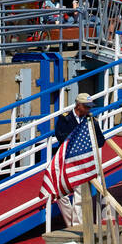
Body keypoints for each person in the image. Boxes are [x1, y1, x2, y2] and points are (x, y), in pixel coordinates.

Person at [52, 92, 105, 230]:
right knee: (59, 193)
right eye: (86, 107)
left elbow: (101, 140)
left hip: (82, 163)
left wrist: (89, 143)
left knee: (80, 195)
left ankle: (77, 226)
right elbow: (60, 136)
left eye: (90, 107)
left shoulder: (92, 121)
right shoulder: (65, 119)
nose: (89, 109)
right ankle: (71, 223)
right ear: (78, 105)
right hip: (66, 161)